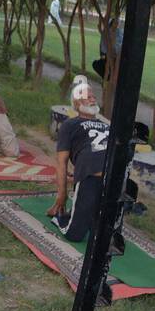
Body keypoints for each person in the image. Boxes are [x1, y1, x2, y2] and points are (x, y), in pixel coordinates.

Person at [46, 76, 110, 242]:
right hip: (90, 177)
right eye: (86, 96)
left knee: (104, 234)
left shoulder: (107, 126)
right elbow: (61, 162)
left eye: (93, 96)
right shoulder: (70, 124)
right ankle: (60, 217)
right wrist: (62, 195)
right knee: (75, 234)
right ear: (76, 103)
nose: (92, 98)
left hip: (113, 179)